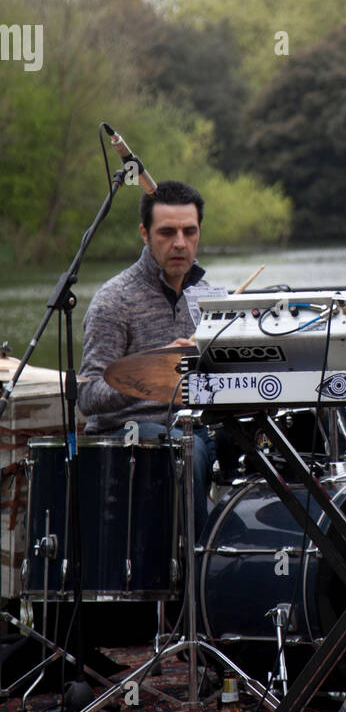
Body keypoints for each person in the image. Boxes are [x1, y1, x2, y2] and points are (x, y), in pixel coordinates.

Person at [78, 179, 231, 541]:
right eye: (167, 232)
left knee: (266, 442)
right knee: (186, 449)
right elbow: (88, 398)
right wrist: (155, 371)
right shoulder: (114, 300)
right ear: (145, 234)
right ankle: (197, 579)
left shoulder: (210, 297)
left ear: (199, 232)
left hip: (196, 425)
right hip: (130, 435)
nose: (179, 242)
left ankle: (256, 566)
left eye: (188, 231)